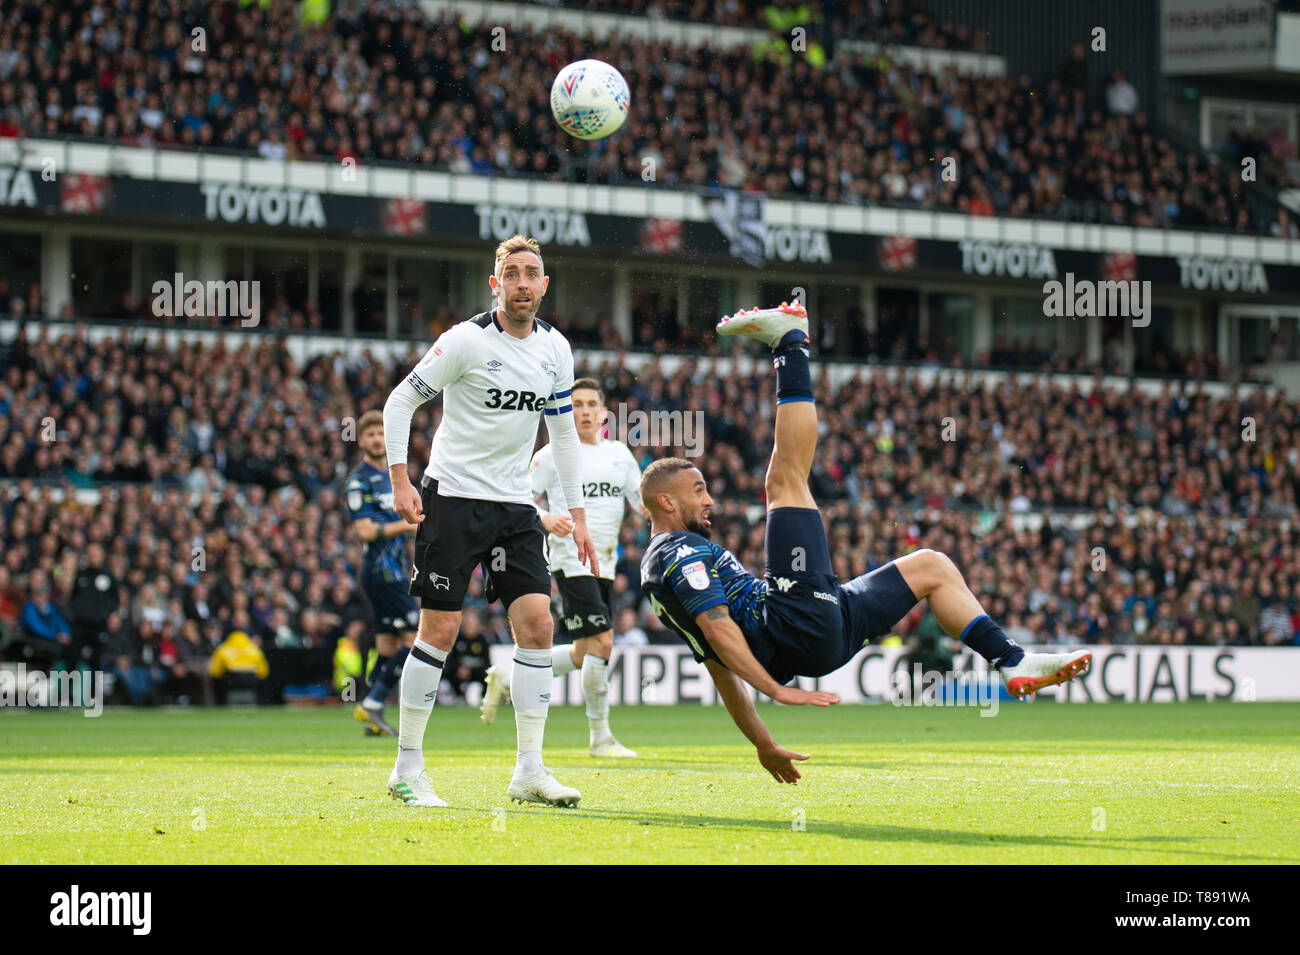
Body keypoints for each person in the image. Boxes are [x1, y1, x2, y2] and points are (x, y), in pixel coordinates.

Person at [639, 303, 1092, 784]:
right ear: (665, 502)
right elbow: (718, 630)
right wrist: (777, 690)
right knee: (786, 480)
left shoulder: (671, 565)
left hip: (823, 636)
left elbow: (720, 667)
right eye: (697, 492)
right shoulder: (676, 553)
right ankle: (790, 344)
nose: (710, 501)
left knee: (931, 567)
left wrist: (764, 743)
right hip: (795, 622)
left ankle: (1011, 659)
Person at [381, 234, 598, 808]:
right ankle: (407, 768)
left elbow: (562, 433)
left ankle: (529, 770)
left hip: (516, 505)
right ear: (495, 282)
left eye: (532, 273)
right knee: (441, 632)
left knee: (537, 627)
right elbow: (399, 402)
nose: (523, 283)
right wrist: (400, 480)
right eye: (512, 273)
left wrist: (576, 513)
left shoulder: (557, 349)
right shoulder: (465, 341)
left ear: (544, 285)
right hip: (452, 498)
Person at [480, 377, 642, 758]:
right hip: (571, 560)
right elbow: (518, 497)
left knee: (585, 651)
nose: (584, 411)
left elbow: (641, 502)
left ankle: (508, 677)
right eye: (576, 405)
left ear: (603, 412)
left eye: (591, 404)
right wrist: (546, 517)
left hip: (606, 562)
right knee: (603, 642)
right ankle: (600, 738)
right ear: (566, 412)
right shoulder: (552, 454)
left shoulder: (619, 454)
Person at [343, 410, 420, 737]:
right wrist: (406, 524)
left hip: (398, 570)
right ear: (361, 440)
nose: (377, 439)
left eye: (382, 434)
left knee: (387, 644)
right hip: (380, 573)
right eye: (371, 434)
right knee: (415, 633)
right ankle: (374, 701)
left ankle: (373, 720)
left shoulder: (396, 477)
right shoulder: (359, 481)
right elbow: (364, 531)